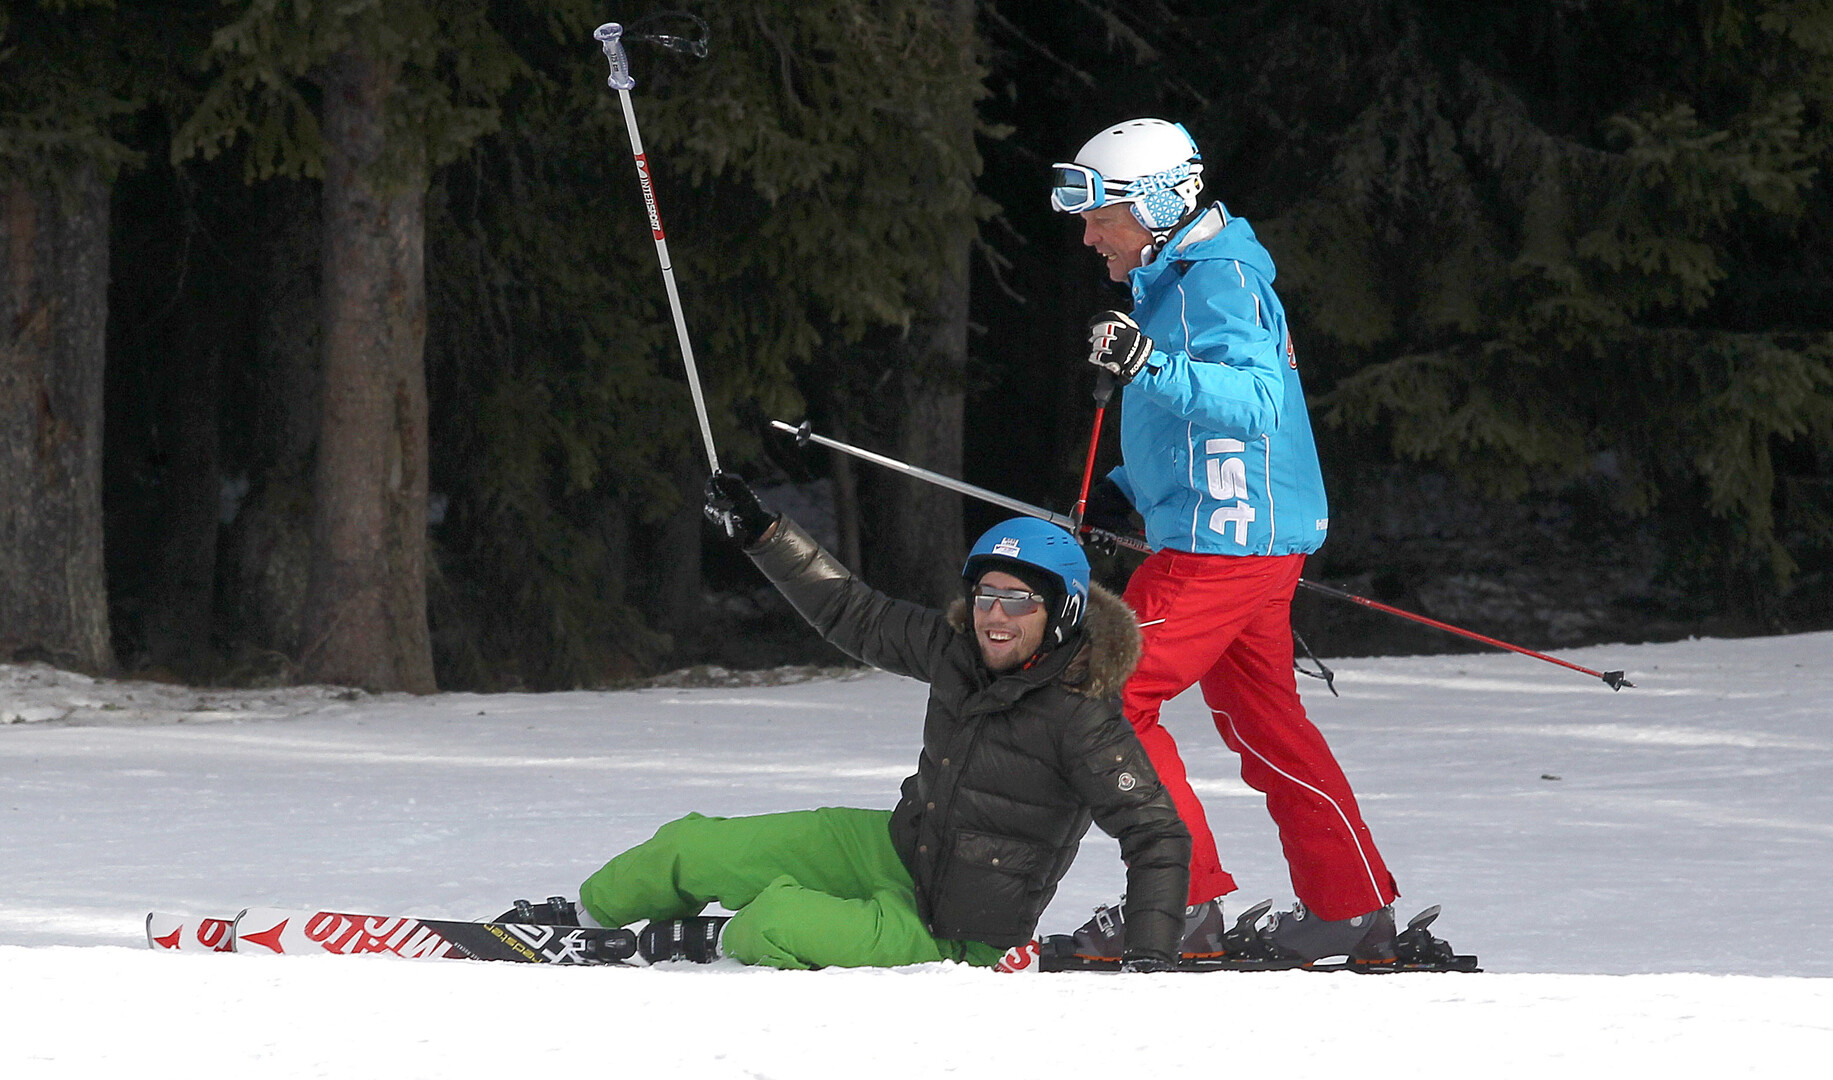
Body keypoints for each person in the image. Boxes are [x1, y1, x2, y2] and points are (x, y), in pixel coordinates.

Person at [512, 479, 1193, 971]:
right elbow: (853, 613)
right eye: (987, 594)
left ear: (1063, 613)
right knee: (694, 846)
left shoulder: (1081, 716)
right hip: (895, 848)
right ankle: (585, 920)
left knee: (774, 923)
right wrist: (765, 535)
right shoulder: (957, 649)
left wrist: (1149, 959)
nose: (996, 615)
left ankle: (713, 942)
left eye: (1019, 601)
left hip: (954, 929)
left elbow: (1156, 831)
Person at [1048, 117, 1402, 964]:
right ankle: (1349, 906)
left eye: (1104, 216)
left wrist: (1147, 365)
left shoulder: (1219, 280)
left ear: (1163, 203)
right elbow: (1201, 435)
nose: (1090, 236)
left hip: (1224, 549)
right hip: (1237, 540)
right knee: (1267, 724)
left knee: (1094, 690)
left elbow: (1255, 404)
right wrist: (1126, 492)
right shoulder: (1177, 278)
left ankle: (1181, 905)